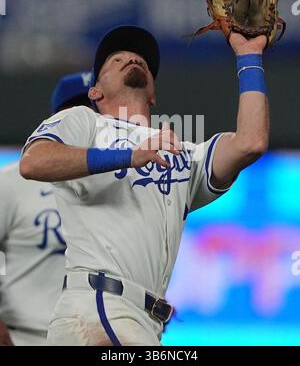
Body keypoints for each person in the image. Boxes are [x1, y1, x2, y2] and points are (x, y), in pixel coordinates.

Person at [20, 25, 269, 346]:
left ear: (153, 95)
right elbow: (34, 161)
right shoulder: (85, 122)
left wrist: (249, 58)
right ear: (95, 91)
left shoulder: (183, 152)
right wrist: (129, 155)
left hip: (146, 321)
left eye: (141, 60)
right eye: (117, 59)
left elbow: (251, 143)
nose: (132, 59)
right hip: (97, 308)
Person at [0, 71, 93, 346]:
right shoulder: (12, 180)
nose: (84, 119)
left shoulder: (122, 183)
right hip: (24, 336)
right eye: (73, 111)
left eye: (92, 111)